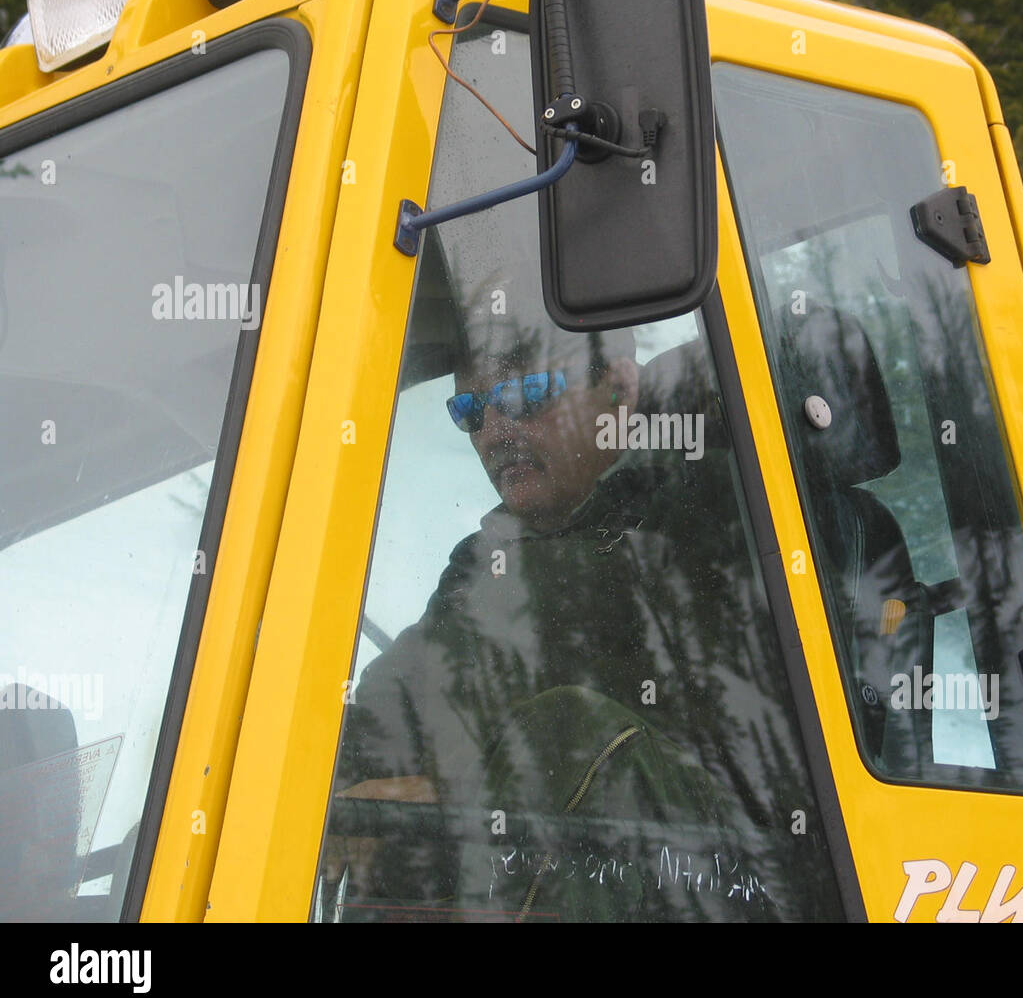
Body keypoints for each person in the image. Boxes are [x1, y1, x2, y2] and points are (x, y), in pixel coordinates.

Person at [320, 272, 842, 922]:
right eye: (471, 411)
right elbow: (380, 716)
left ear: (620, 388)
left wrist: (449, 793)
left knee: (569, 728)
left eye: (525, 392)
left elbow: (732, 746)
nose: (495, 430)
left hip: (739, 883)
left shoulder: (714, 515)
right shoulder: (476, 574)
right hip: (542, 878)